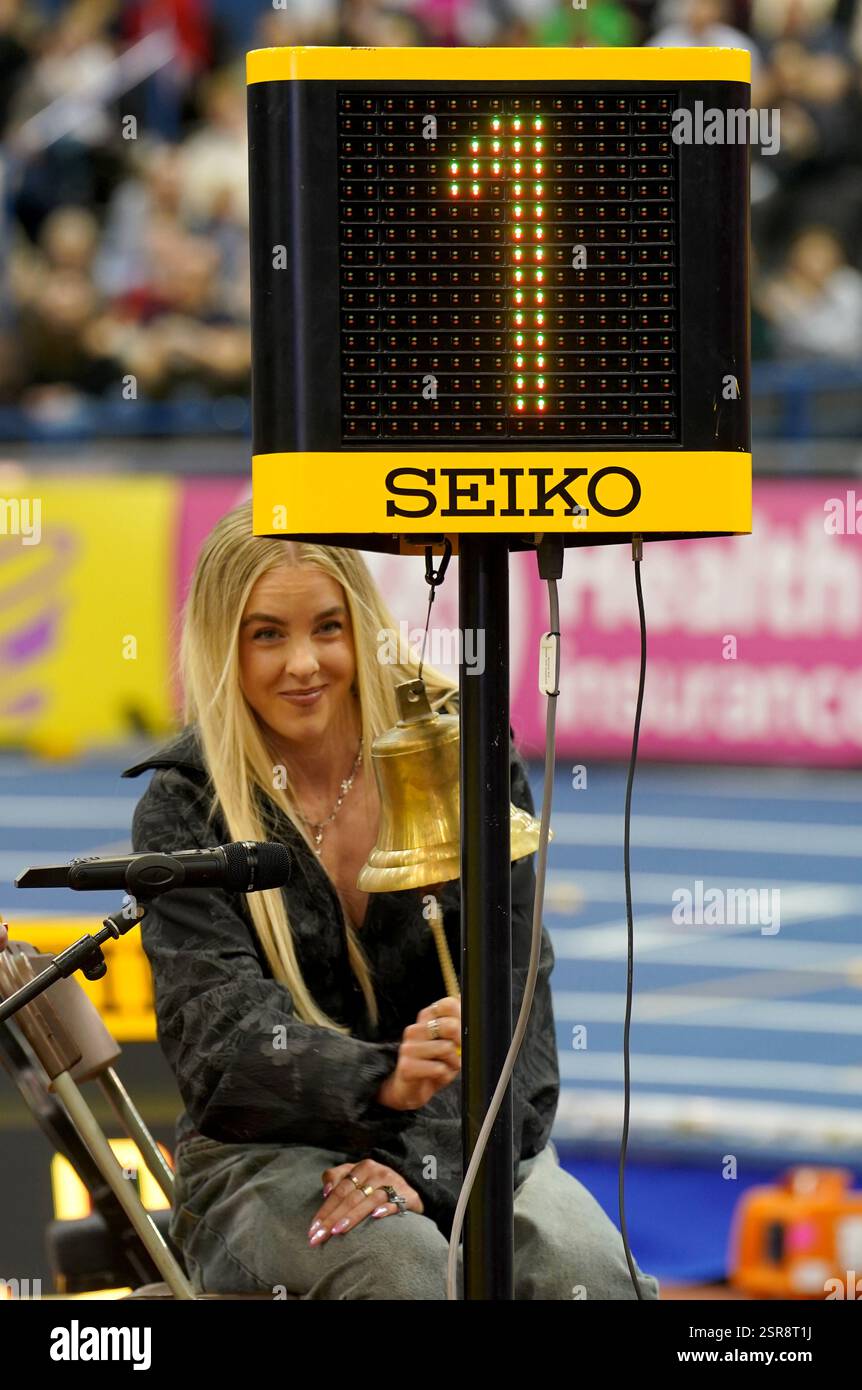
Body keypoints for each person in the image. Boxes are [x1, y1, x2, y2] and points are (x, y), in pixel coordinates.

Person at [121, 498, 659, 1301]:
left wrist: (420, 1165)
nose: (303, 663)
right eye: (267, 633)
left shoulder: (461, 749)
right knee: (402, 1271)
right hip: (260, 1156)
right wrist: (381, 1079)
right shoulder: (183, 805)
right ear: (221, 644)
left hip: (468, 1134)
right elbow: (220, 1047)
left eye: (328, 629)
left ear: (363, 626)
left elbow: (522, 1027)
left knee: (586, 1275)